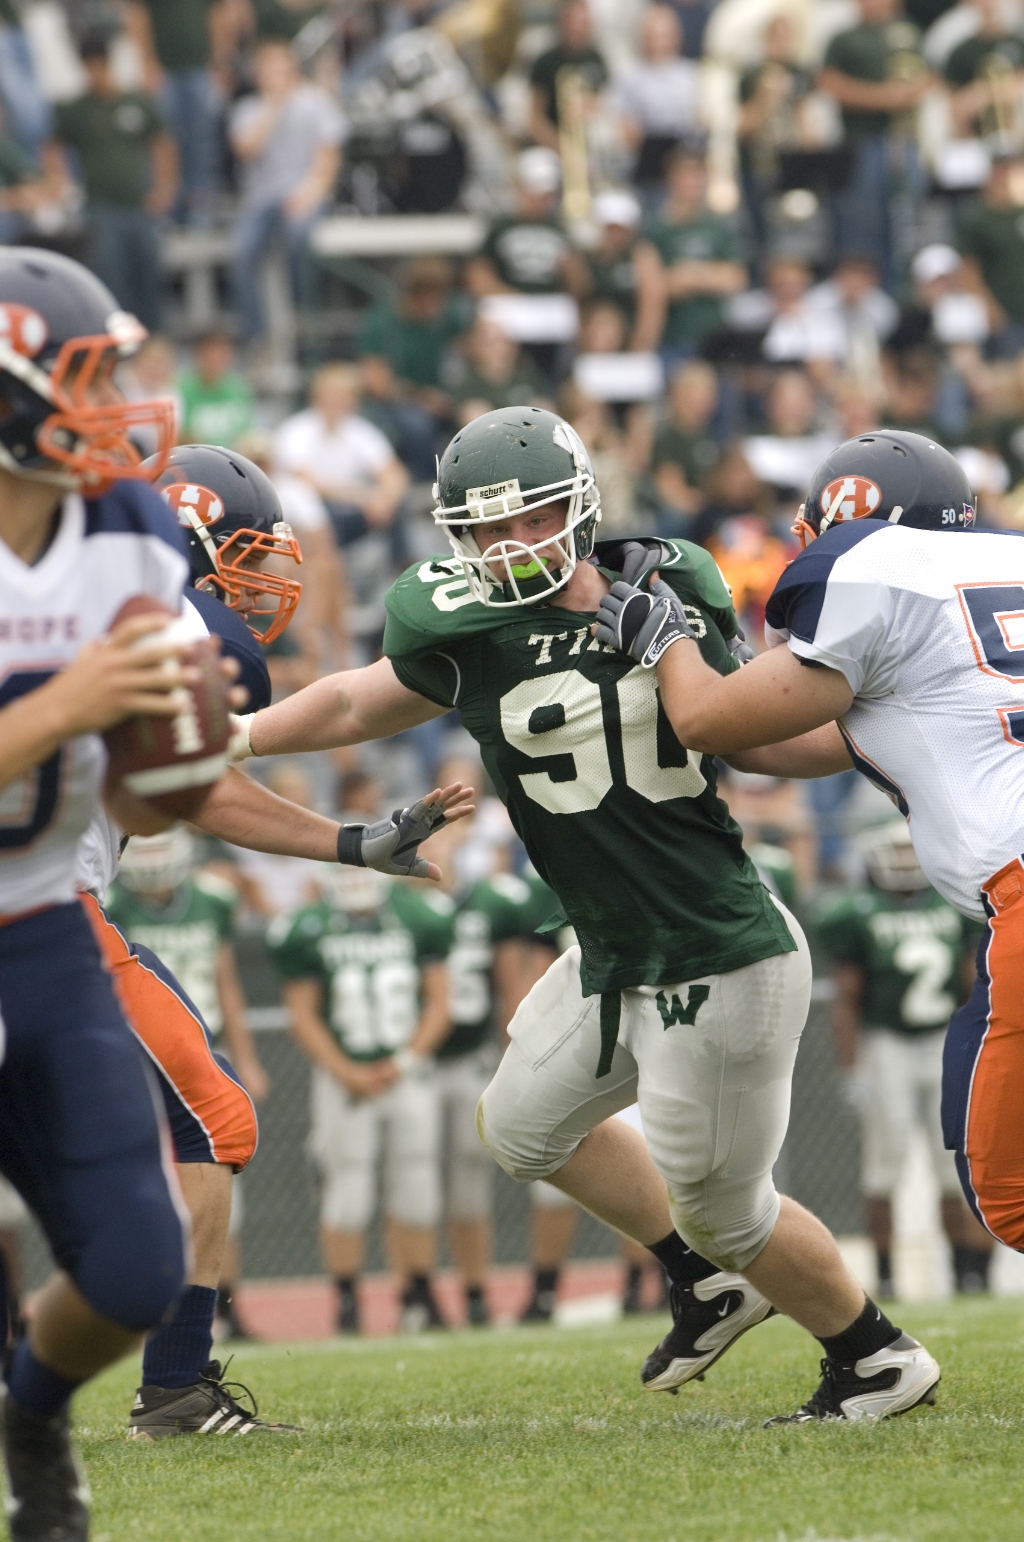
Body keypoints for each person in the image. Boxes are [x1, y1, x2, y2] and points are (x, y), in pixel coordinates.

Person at [228, 404, 940, 1423]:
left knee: (726, 1208)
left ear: (578, 507)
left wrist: (898, 740)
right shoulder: (457, 623)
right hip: (609, 946)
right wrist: (240, 736)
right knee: (520, 1126)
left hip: (713, 946)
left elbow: (751, 731)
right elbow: (354, 702)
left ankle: (873, 1356)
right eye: (481, 528)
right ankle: (703, 1278)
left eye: (529, 519)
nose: (506, 544)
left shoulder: (669, 586)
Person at [80, 441, 471, 1439]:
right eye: (247, 552)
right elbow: (185, 790)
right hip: (35, 915)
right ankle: (174, 1387)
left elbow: (191, 785)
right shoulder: (155, 612)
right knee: (211, 1117)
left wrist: (348, 842)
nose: (262, 582)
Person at [608, 427, 1024, 1267]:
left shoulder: (876, 571)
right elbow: (779, 741)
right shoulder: (988, 575)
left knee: (1007, 1190)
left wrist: (663, 643)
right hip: (1003, 913)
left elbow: (707, 721)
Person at [0, 246, 195, 1539]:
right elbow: (65, 710)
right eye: (89, 372)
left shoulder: (130, 530)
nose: (120, 395)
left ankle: (33, 1408)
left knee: (136, 1268)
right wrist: (69, 705)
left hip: (39, 922)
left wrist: (173, 757)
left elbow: (137, 802)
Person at [269, 864, 454, 1334]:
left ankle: (418, 1294)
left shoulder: (417, 913)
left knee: (417, 1189)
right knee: (348, 1195)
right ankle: (347, 1302)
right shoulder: (307, 926)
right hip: (343, 1081)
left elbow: (439, 1003)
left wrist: (404, 1062)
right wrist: (345, 1070)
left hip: (406, 1074)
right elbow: (302, 1014)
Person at [817, 821, 994, 1298]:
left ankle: (967, 1274)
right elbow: (847, 999)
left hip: (943, 1040)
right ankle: (887, 1275)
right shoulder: (857, 911)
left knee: (952, 1163)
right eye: (891, 853)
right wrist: (852, 1068)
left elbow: (971, 986)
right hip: (887, 1044)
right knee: (883, 1165)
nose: (901, 862)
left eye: (907, 852)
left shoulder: (949, 908)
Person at [43, 31, 178, 333]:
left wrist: (164, 188)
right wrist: (60, 184)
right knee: (113, 279)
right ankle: (120, 341)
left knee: (149, 277)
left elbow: (162, 145)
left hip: (138, 206)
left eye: (99, 64)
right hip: (100, 208)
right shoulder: (77, 109)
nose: (95, 72)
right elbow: (52, 148)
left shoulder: (136, 102)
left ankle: (154, 341)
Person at [229, 39, 345, 345]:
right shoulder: (247, 108)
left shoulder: (315, 102)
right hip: (261, 199)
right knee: (241, 252)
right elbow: (246, 148)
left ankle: (304, 320)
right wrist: (275, 105)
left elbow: (329, 156)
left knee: (299, 237)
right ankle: (257, 337)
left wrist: (308, 192)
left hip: (305, 193)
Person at [818, 0, 932, 289]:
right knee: (865, 222)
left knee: (910, 219)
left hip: (904, 139)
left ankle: (906, 289)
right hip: (862, 141)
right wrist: (883, 98)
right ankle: (867, 288)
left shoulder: (908, 33)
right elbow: (829, 83)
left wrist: (909, 93)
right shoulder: (845, 38)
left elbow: (929, 77)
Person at [640, 143, 748, 365]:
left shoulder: (717, 226)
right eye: (686, 175)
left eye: (698, 175)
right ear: (670, 179)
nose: (693, 182)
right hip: (672, 336)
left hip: (715, 339)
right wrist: (710, 276)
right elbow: (653, 284)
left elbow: (736, 279)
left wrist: (691, 276)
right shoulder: (655, 230)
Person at [124, 0, 222, 227]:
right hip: (164, 70)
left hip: (198, 66)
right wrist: (147, 62)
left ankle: (200, 205)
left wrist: (216, 58)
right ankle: (167, 206)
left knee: (201, 141)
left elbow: (216, 14)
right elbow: (137, 16)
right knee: (165, 142)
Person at [613, 5, 702, 203]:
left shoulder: (690, 75)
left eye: (665, 35)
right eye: (653, 35)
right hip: (647, 164)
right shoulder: (630, 77)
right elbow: (624, 126)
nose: (659, 41)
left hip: (683, 159)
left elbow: (699, 120)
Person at [957, 151, 1024, 358]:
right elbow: (968, 271)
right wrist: (992, 311)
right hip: (1007, 316)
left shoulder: (1019, 212)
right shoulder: (978, 218)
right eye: (999, 170)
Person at [527, 0, 608, 155]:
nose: (577, 28)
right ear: (562, 22)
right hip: (551, 146)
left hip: (591, 145)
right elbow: (534, 120)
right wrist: (562, 149)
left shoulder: (597, 59)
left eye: (582, 23)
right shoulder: (545, 62)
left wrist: (590, 106)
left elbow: (607, 104)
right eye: (572, 22)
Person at [178, 331, 255, 449]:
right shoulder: (182, 390)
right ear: (198, 355)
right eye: (210, 355)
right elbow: (181, 437)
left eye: (222, 354)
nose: (216, 359)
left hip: (233, 458)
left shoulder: (238, 389)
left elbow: (246, 434)